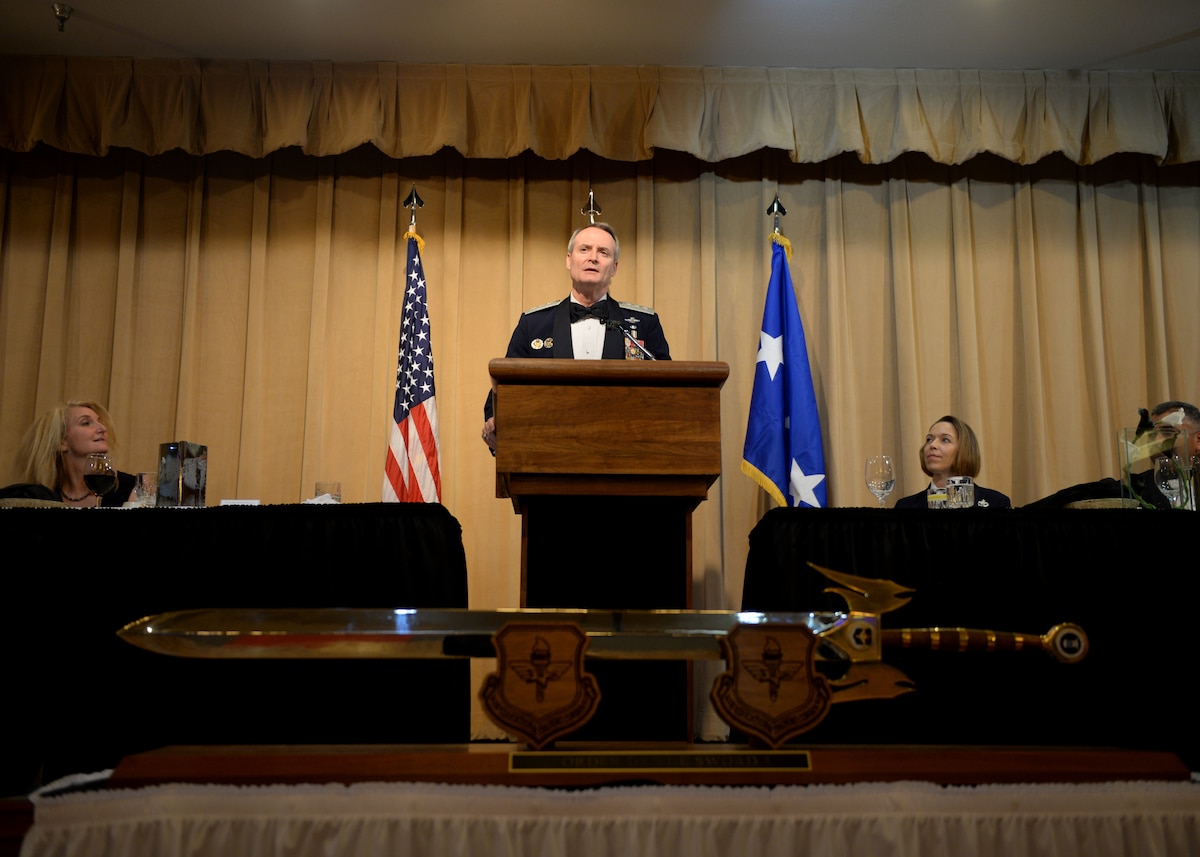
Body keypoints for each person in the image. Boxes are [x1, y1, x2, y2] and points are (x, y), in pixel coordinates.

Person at [481, 222, 671, 450]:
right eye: (585, 249)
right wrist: (495, 424)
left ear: (614, 267)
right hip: (548, 456)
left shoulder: (644, 323)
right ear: (569, 260)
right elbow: (503, 388)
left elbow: (669, 392)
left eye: (603, 252)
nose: (593, 258)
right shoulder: (534, 324)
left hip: (624, 454)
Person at [7, 400, 137, 507]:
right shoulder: (40, 496)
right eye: (86, 423)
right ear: (61, 441)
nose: (103, 429)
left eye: (100, 422)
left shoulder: (132, 489)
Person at [894, 415, 1012, 509]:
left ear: (964, 449)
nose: (933, 445)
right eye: (929, 439)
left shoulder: (996, 503)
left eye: (945, 440)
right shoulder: (905, 507)